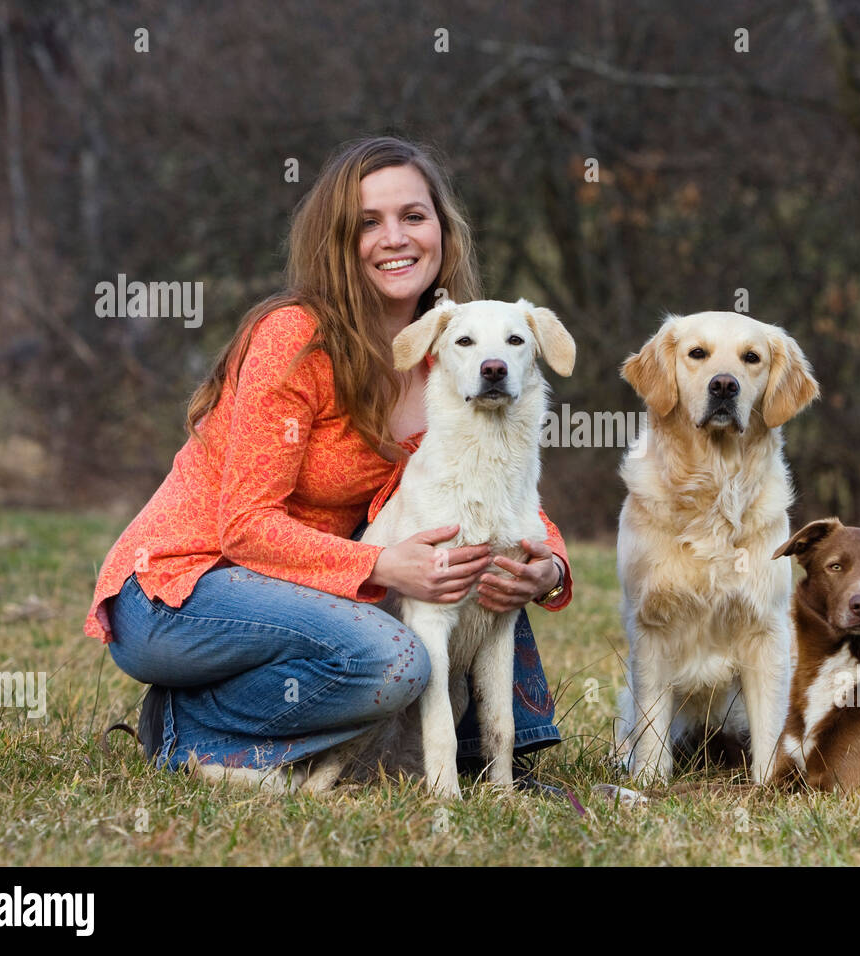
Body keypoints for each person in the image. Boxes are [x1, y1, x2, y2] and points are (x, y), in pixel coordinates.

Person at [83, 135, 571, 789]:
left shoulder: (450, 352)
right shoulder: (296, 337)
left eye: (413, 216)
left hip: (301, 593)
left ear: (442, 231)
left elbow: (489, 491)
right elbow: (245, 527)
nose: (394, 237)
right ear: (338, 240)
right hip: (183, 590)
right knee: (394, 659)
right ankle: (186, 725)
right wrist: (380, 564)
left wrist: (548, 566)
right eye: (368, 223)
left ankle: (468, 760)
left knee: (476, 569)